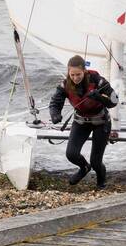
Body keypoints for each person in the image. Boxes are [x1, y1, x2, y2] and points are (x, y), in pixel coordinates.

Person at [48, 55, 119, 188]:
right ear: (68, 73)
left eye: (78, 74)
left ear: (84, 71)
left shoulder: (97, 80)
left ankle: (101, 184)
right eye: (72, 74)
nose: (75, 78)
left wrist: (99, 97)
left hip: (101, 122)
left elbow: (114, 101)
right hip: (81, 122)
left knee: (96, 161)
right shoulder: (65, 84)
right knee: (71, 154)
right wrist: (55, 114)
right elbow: (54, 103)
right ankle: (84, 168)